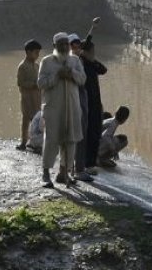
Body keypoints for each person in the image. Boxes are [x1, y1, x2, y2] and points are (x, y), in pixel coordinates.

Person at [37, 32, 86, 188]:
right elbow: (41, 83)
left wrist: (71, 73)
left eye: (66, 44)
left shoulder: (75, 61)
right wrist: (57, 75)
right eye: (61, 44)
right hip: (53, 109)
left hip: (72, 108)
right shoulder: (47, 62)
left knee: (71, 141)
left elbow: (83, 79)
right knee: (51, 140)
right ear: (54, 46)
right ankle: (45, 174)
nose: (65, 47)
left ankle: (63, 173)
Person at [70, 33, 106, 183]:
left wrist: (93, 59)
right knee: (85, 133)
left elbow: (103, 70)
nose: (93, 54)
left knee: (95, 131)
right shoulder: (78, 62)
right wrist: (84, 55)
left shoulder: (91, 62)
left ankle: (89, 163)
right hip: (84, 102)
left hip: (95, 101)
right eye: (92, 51)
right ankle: (82, 164)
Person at [16, 39, 42, 151]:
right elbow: (20, 82)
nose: (37, 55)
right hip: (27, 98)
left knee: (37, 121)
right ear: (28, 52)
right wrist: (33, 85)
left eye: (38, 53)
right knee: (26, 121)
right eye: (36, 52)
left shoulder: (37, 65)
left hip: (37, 96)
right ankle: (23, 142)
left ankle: (35, 143)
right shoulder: (22, 66)